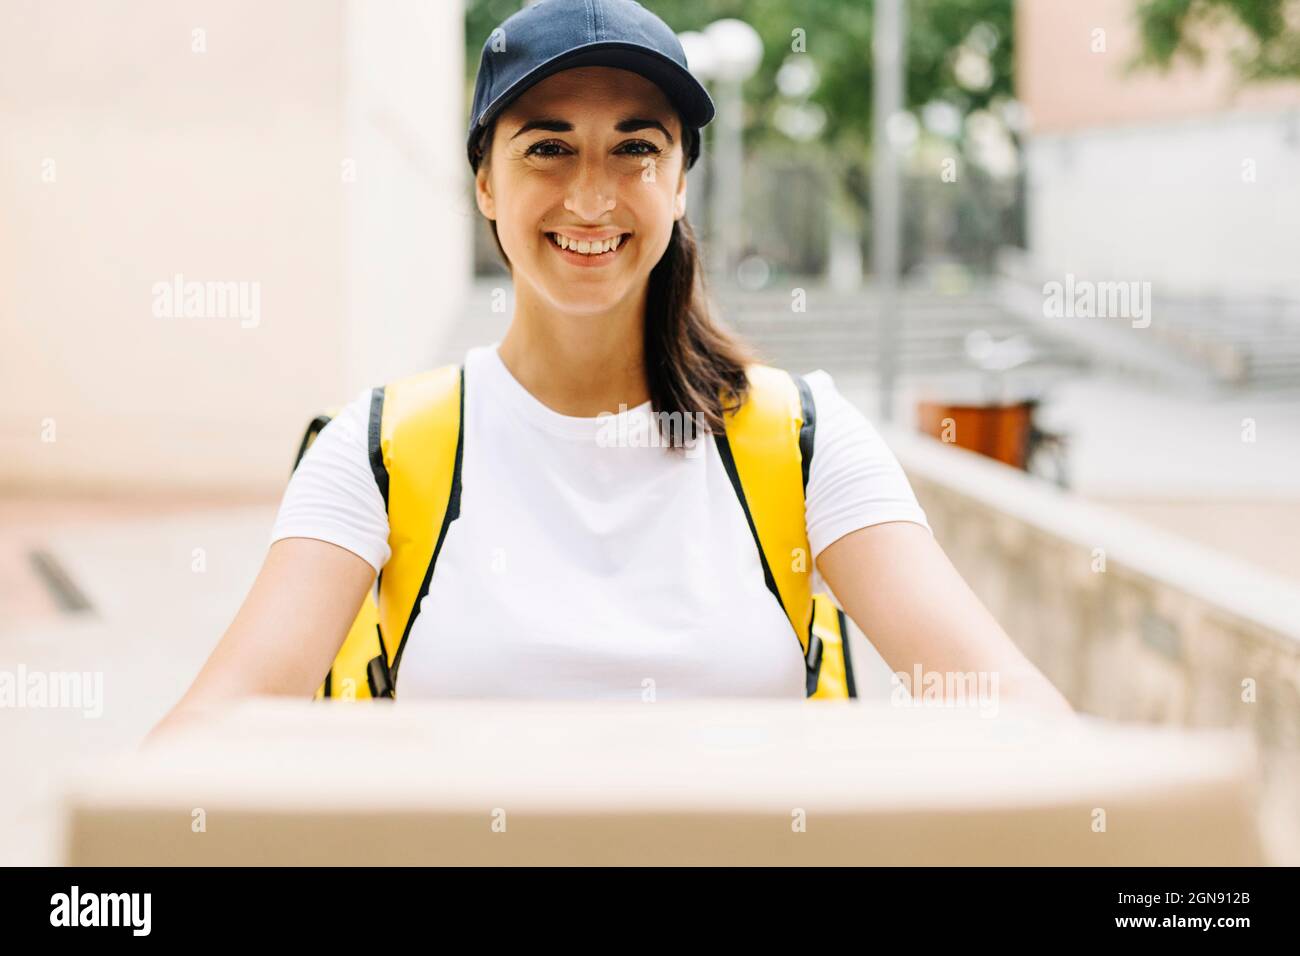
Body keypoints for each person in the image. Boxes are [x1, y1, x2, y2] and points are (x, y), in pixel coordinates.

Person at [149, 0, 1069, 740]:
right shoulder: (379, 449)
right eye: (548, 147)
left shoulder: (801, 439)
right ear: (484, 184)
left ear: (678, 183)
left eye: (636, 148)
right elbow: (209, 739)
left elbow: (1014, 718)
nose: (591, 195)